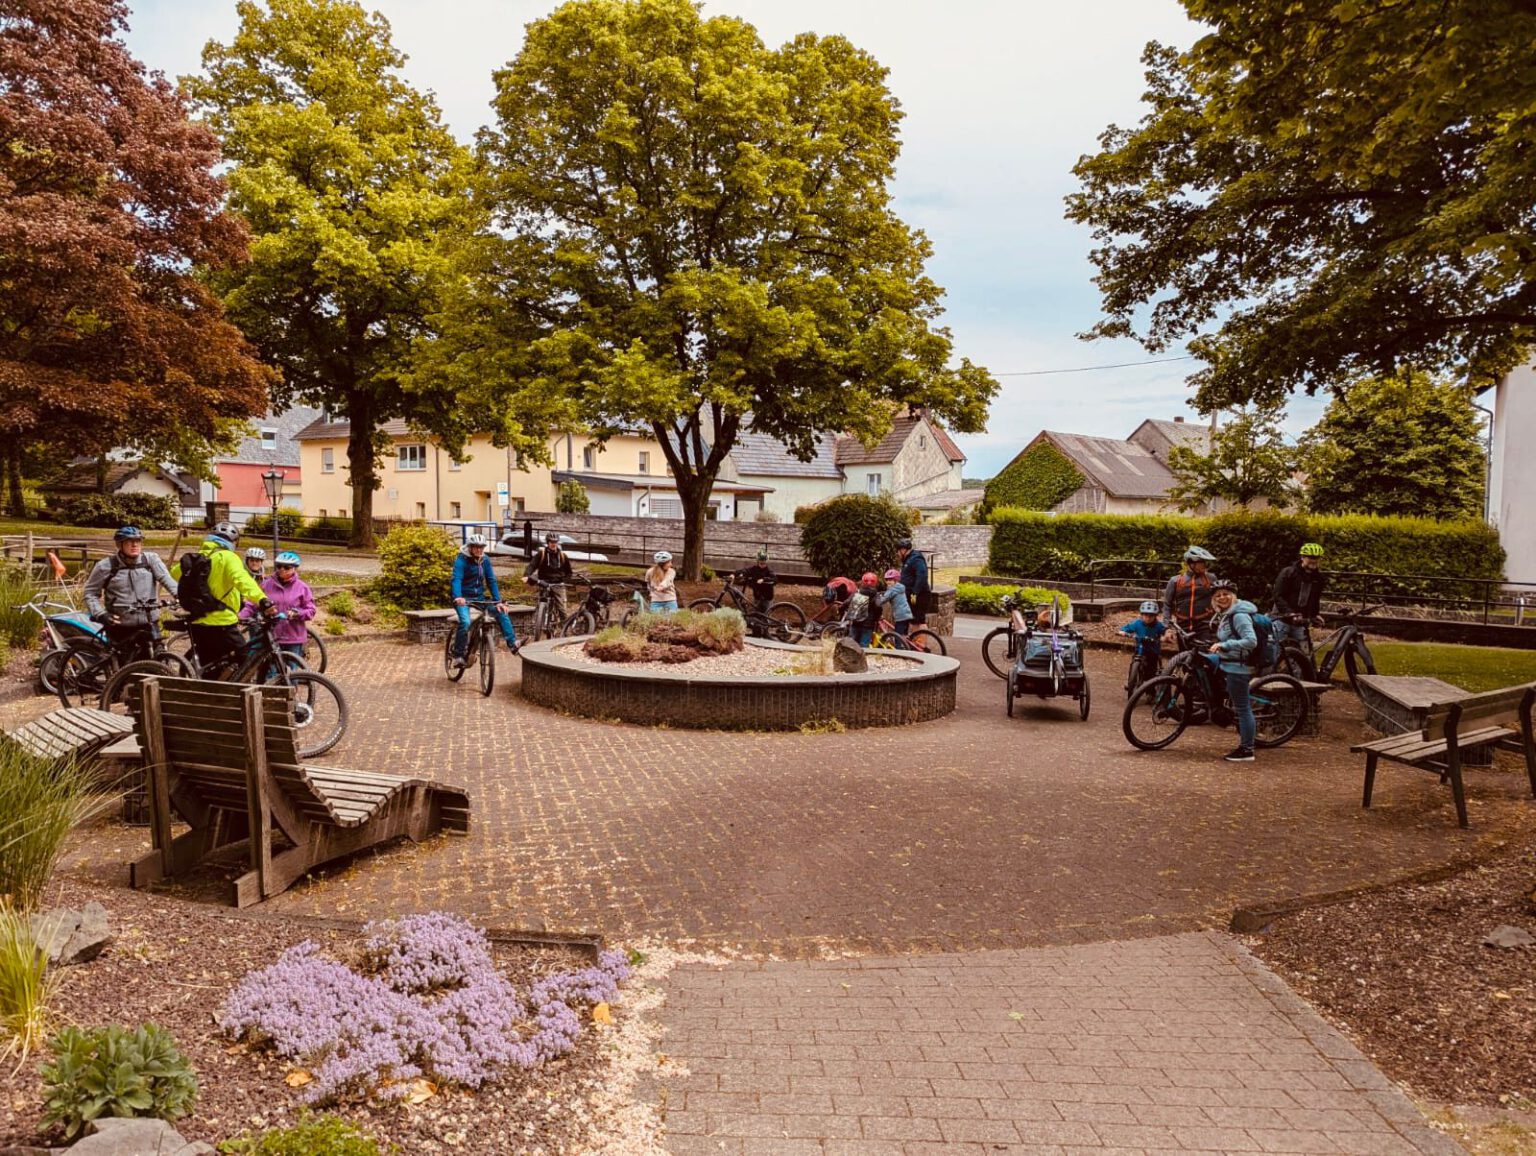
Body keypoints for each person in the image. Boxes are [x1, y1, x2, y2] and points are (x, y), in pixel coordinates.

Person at [174, 521, 272, 673]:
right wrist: (261, 599)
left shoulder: (198, 557)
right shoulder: (228, 557)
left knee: (211, 661)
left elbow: (175, 573)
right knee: (244, 658)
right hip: (222, 621)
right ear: (233, 542)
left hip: (198, 620)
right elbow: (242, 580)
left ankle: (208, 691)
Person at [83, 526, 179, 659]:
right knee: (125, 668)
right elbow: (90, 593)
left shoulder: (150, 560)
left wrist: (180, 596)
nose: (135, 545)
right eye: (129, 541)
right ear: (119, 544)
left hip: (149, 622)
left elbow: (167, 580)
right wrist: (101, 614)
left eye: (138, 541)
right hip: (120, 626)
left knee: (158, 659)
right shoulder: (105, 566)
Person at [1207, 579, 1259, 763]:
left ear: (1233, 595)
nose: (1222, 597)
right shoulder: (1227, 614)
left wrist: (1224, 644)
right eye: (1218, 595)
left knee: (1243, 708)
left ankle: (1247, 750)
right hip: (1230, 661)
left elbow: (1251, 641)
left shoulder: (1239, 615)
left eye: (1226, 594)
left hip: (1239, 666)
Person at [452, 533, 518, 663]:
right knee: (465, 622)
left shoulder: (485, 560)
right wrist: (458, 596)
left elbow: (491, 581)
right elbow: (457, 579)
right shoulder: (461, 560)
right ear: (470, 547)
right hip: (463, 599)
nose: (479, 550)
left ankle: (513, 644)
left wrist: (498, 601)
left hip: (480, 598)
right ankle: (457, 655)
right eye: (476, 547)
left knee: (501, 611)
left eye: (481, 547)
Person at [242, 551, 316, 659]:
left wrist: (297, 613)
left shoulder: (302, 587)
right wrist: (239, 617)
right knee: (272, 673)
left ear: (295, 568)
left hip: (293, 638)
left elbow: (311, 610)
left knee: (293, 672)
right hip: (272, 637)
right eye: (279, 566)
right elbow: (252, 603)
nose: (282, 569)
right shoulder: (266, 584)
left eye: (286, 567)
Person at [1270, 542, 1328, 643]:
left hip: (1300, 623)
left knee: (1305, 655)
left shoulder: (1319, 579)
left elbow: (1315, 598)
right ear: (1302, 557)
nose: (1313, 561)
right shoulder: (1288, 573)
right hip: (1282, 619)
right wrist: (1290, 612)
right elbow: (1278, 596)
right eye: (1310, 557)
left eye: (1316, 558)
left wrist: (1315, 614)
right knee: (1275, 651)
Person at [1163, 545, 1219, 642]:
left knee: (1203, 655)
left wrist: (1217, 620)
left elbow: (1219, 599)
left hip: (1204, 626)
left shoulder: (1211, 579)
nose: (1205, 565)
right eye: (1201, 562)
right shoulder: (1175, 581)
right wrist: (1167, 627)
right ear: (1191, 563)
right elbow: (1167, 605)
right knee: (1185, 655)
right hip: (1182, 626)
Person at [524, 531, 574, 621]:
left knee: (562, 609)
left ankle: (564, 628)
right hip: (544, 582)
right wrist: (526, 575)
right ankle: (539, 621)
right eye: (551, 542)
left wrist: (564, 581)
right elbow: (532, 565)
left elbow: (569, 572)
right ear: (548, 543)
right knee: (541, 603)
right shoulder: (542, 554)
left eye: (555, 542)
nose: (553, 544)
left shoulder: (563, 556)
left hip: (558, 584)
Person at [1120, 599, 1167, 682]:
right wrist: (1123, 632)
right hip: (1139, 649)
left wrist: (1165, 637)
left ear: (1155, 616)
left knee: (1151, 670)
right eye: (1145, 615)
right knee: (1133, 663)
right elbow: (1126, 628)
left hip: (1153, 651)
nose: (1148, 618)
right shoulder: (1137, 623)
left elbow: (1165, 631)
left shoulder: (1158, 625)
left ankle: (1150, 689)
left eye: (1151, 616)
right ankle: (1131, 681)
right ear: (1141, 615)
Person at [897, 539, 930, 626]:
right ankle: (916, 639)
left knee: (919, 620)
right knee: (914, 620)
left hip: (919, 595)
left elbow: (922, 576)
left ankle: (921, 640)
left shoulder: (916, 558)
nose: (897, 553)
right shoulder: (908, 559)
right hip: (912, 594)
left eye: (898, 551)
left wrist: (915, 592)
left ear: (903, 550)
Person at [737, 549, 775, 613]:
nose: (762, 565)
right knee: (755, 614)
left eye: (764, 563)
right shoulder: (754, 569)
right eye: (761, 563)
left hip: (767, 598)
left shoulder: (769, 571)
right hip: (757, 597)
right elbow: (746, 570)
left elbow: (774, 578)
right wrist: (741, 573)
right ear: (758, 562)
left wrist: (763, 579)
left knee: (767, 615)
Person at [878, 568, 913, 636]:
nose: (888, 582)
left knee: (897, 636)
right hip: (907, 614)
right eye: (887, 580)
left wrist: (877, 599)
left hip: (900, 616)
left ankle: (899, 646)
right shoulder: (900, 588)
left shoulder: (892, 590)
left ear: (896, 580)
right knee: (903, 635)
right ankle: (906, 645)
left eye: (890, 580)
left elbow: (882, 600)